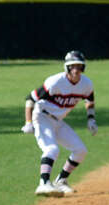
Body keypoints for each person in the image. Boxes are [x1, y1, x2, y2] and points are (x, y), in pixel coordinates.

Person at [21, 51, 97, 197]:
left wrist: (91, 119)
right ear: (67, 68)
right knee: (52, 149)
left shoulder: (86, 84)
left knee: (80, 150)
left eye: (79, 66)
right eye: (72, 66)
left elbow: (89, 100)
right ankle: (43, 183)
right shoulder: (55, 82)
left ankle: (61, 181)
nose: (76, 70)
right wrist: (29, 122)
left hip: (58, 121)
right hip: (42, 117)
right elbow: (30, 98)